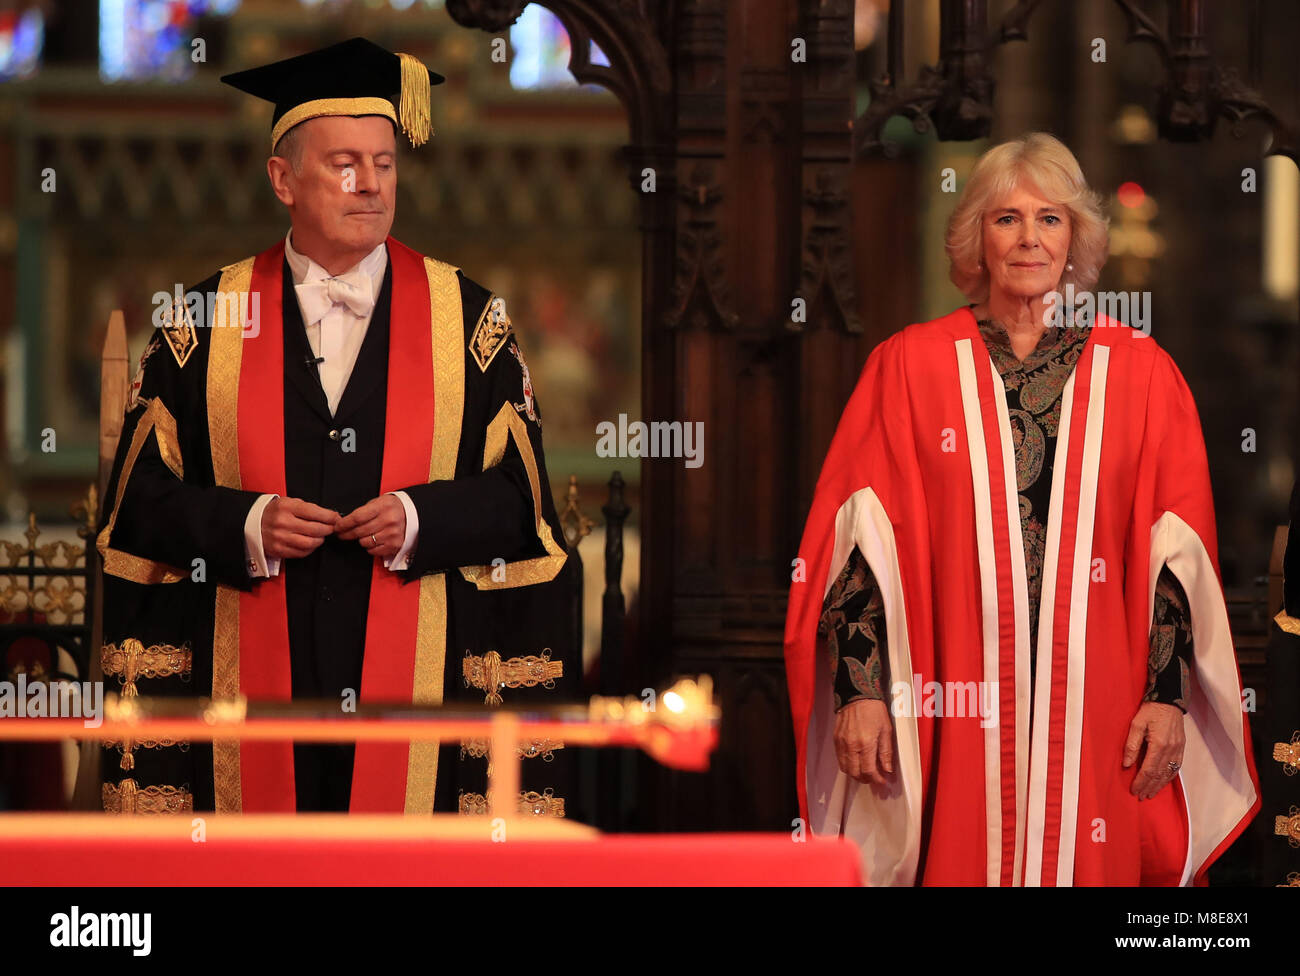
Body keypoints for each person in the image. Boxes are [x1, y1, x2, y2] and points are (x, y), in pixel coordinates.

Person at [95, 37, 576, 816]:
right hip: (246, 687)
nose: (371, 185)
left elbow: (526, 504)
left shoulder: (473, 321)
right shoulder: (200, 322)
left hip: (419, 689)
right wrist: (247, 523)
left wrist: (421, 517)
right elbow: (135, 504)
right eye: (343, 163)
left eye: (385, 164)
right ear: (282, 180)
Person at [784, 132, 1259, 885]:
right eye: (1006, 218)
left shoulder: (1141, 374)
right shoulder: (908, 368)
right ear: (976, 237)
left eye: (1050, 218)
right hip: (951, 705)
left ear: (1077, 238)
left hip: (1098, 710)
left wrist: (1166, 701)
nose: (1028, 238)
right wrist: (861, 690)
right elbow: (859, 546)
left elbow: (1178, 562)